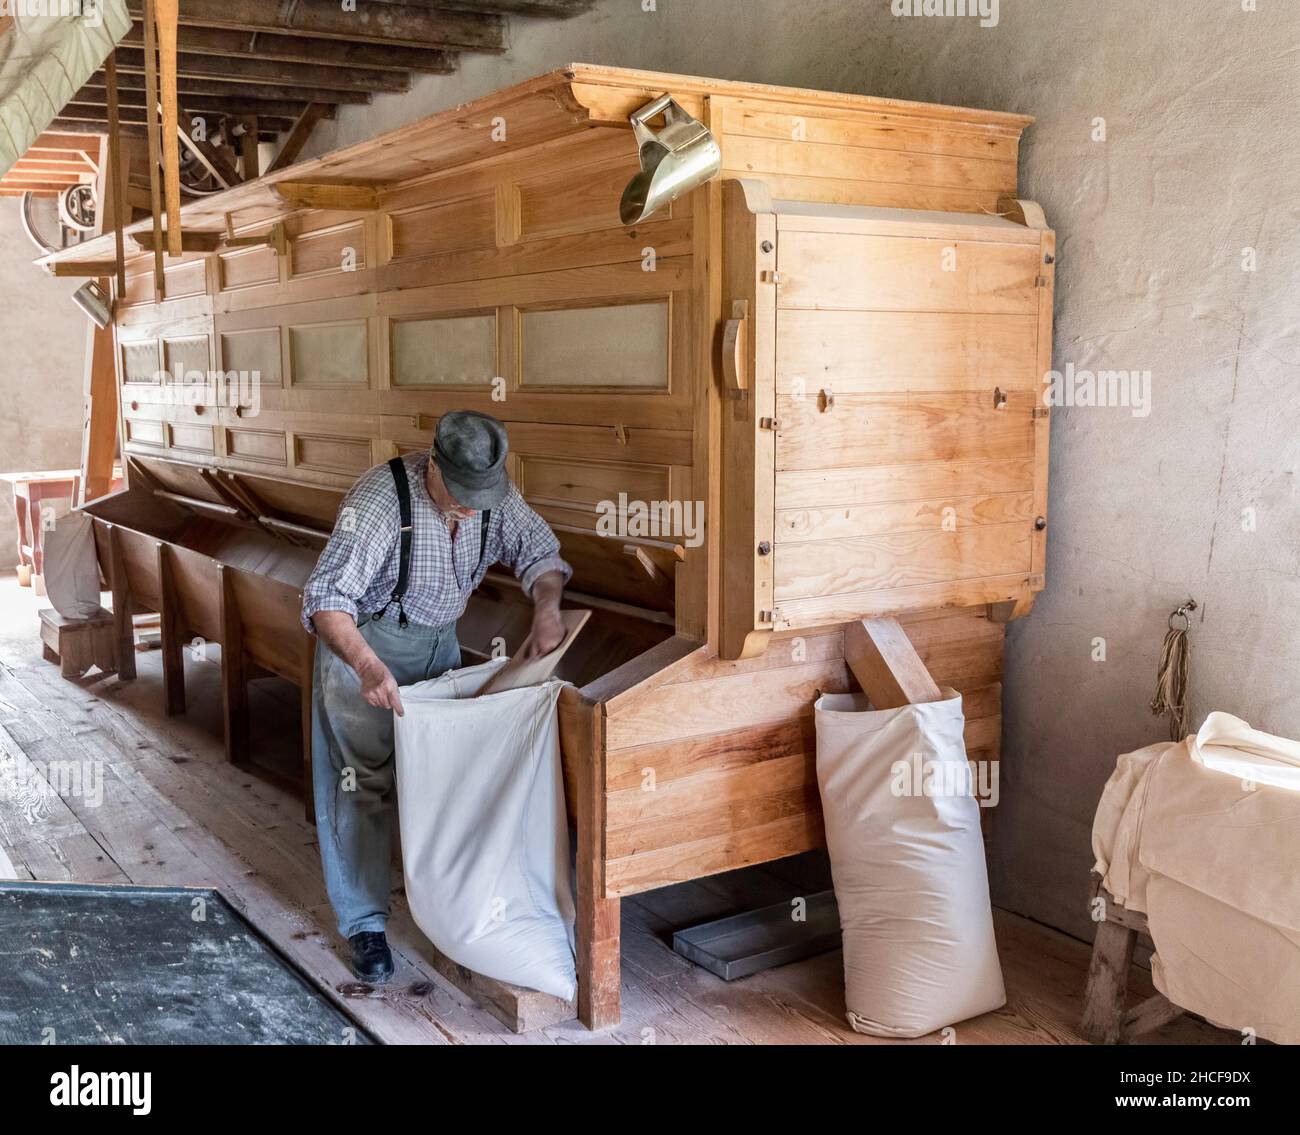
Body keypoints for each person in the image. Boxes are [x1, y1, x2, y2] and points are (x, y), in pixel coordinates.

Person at [301, 410, 571, 983]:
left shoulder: (491, 495)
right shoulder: (379, 502)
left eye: (484, 496)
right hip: (367, 644)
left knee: (438, 774)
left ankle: (443, 906)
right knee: (360, 782)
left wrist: (547, 605)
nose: (474, 508)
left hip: (438, 644)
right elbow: (326, 599)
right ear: (434, 467)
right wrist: (367, 667)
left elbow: (539, 551)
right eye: (463, 495)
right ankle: (365, 923)